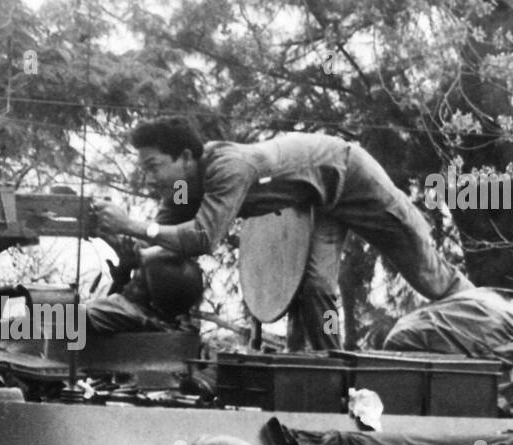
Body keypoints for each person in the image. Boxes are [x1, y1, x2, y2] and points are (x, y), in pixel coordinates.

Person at [94, 117, 474, 348]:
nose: (149, 175)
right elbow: (165, 237)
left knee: (428, 274)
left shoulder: (228, 167)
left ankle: (488, 318)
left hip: (350, 175)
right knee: (315, 288)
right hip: (319, 202)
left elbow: (201, 239)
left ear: (187, 158)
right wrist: (131, 248)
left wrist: (130, 224)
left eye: (154, 165)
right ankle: (329, 369)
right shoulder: (182, 186)